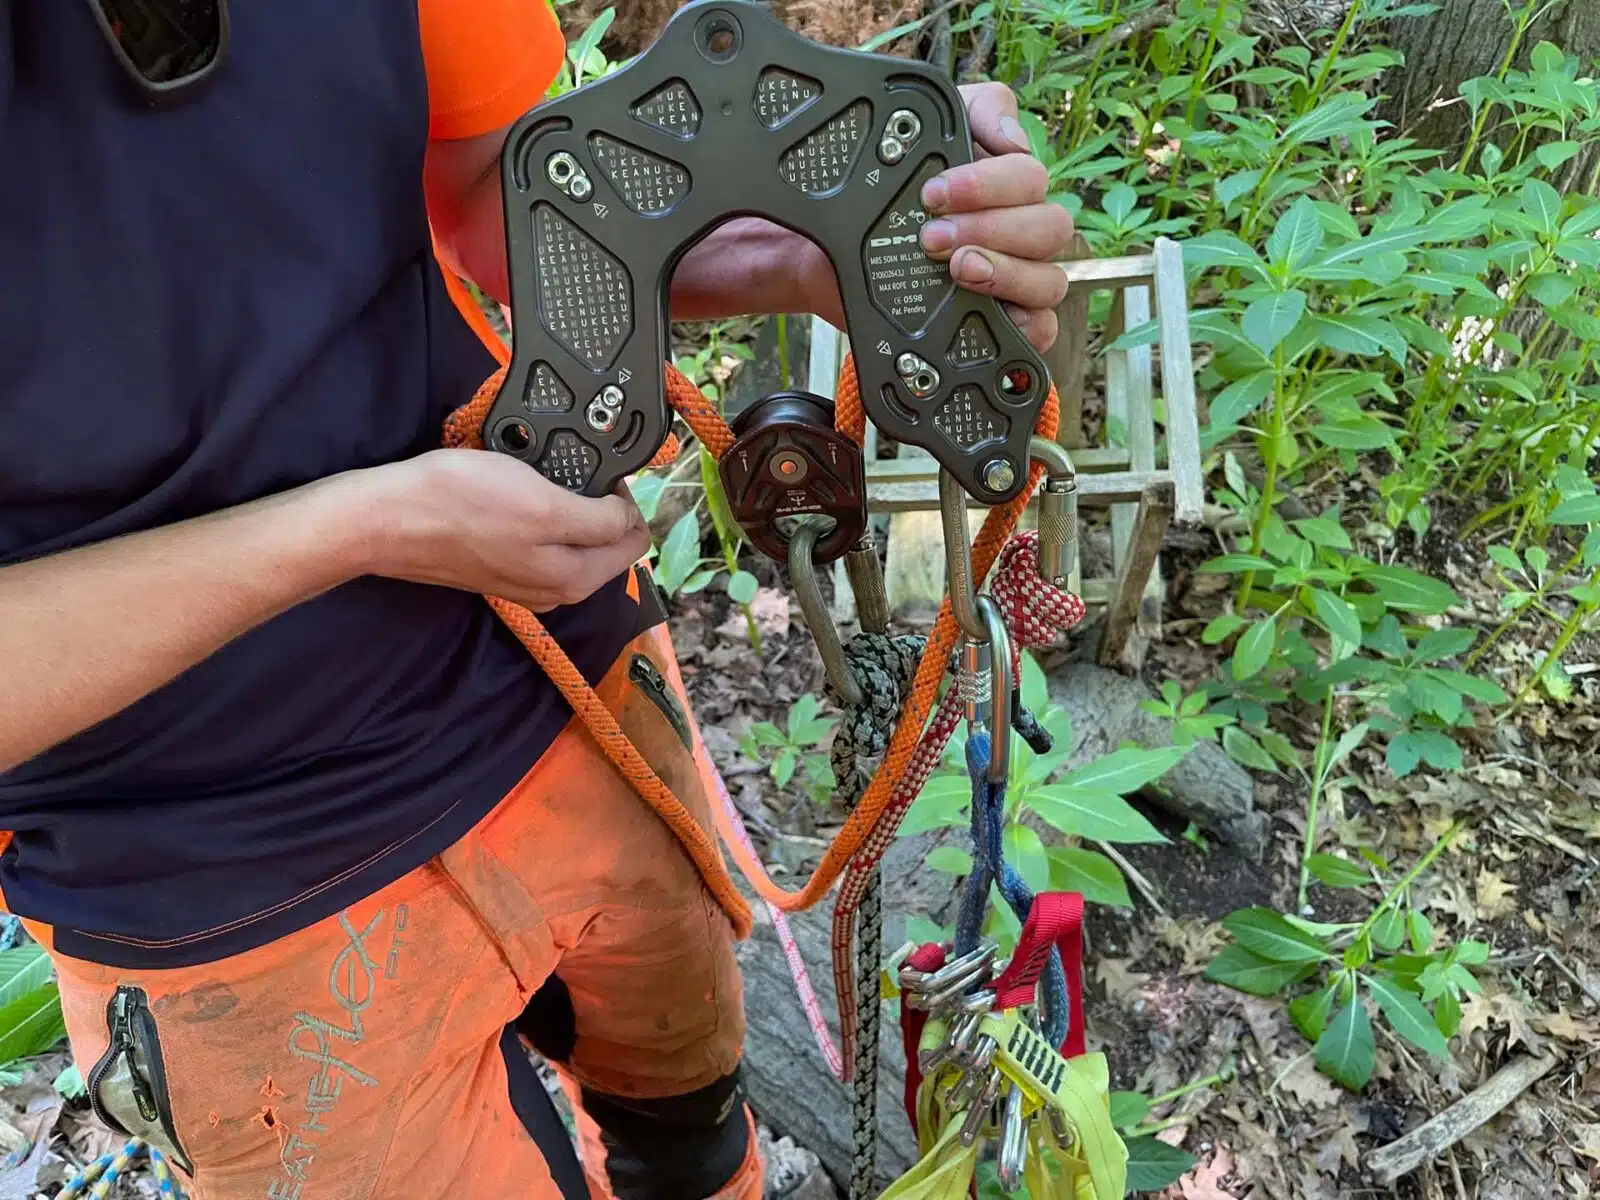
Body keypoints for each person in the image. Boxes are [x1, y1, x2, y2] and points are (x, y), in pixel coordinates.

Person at [0, 2, 1074, 1197]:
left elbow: (491, 190)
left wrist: (814, 243)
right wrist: (371, 526)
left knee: (688, 1119)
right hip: (212, 879)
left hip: (554, 681)